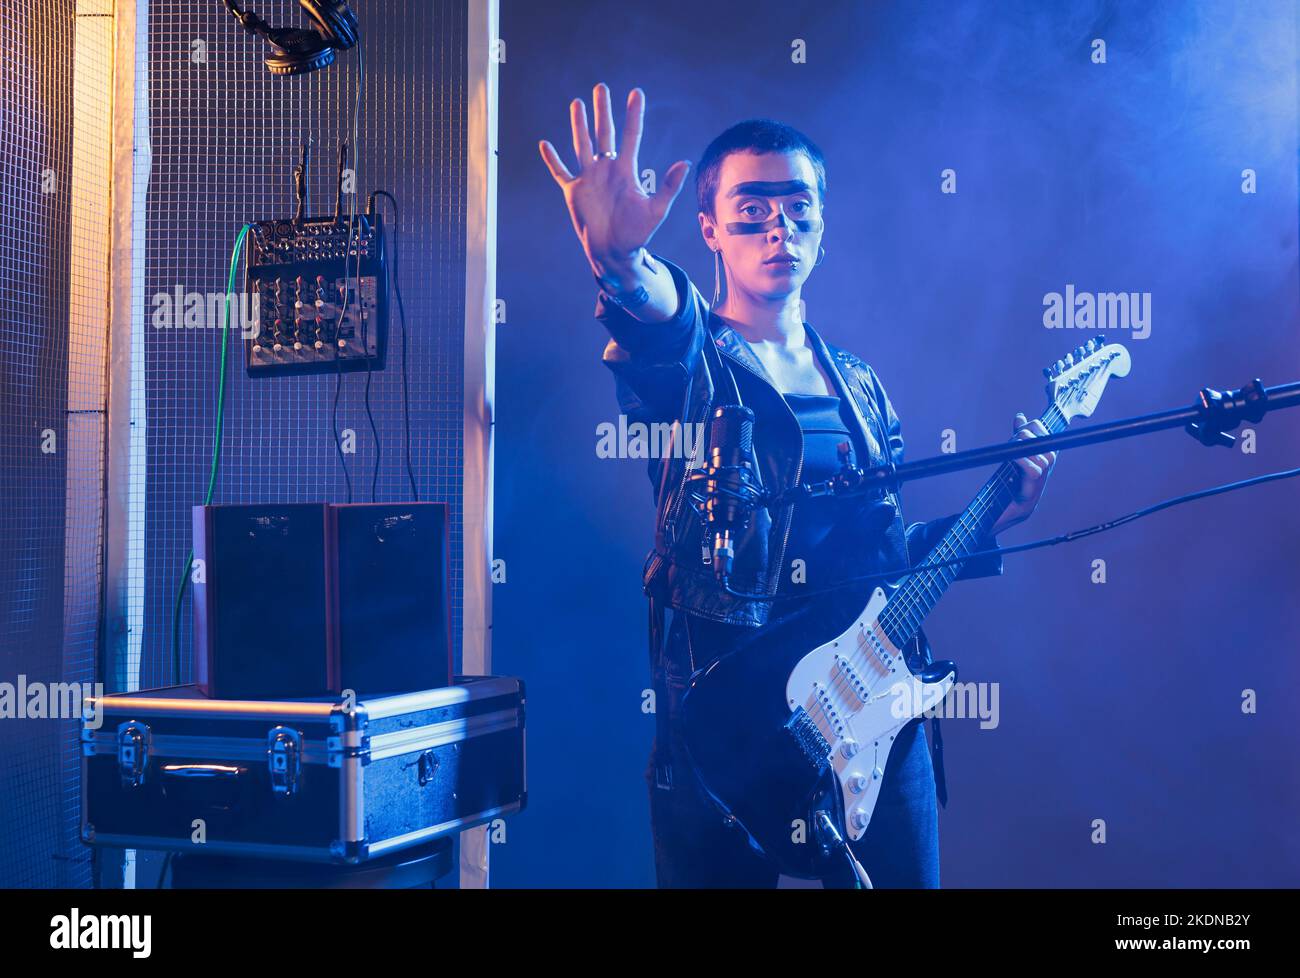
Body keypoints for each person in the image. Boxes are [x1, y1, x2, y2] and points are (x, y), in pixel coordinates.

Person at [539, 83, 1057, 888]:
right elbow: (659, 324)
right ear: (708, 227)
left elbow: (884, 568)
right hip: (735, 731)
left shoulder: (860, 385)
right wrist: (622, 263)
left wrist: (993, 518)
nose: (777, 227)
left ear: (822, 224)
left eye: (798, 208)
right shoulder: (694, 365)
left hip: (876, 711)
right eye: (750, 209)